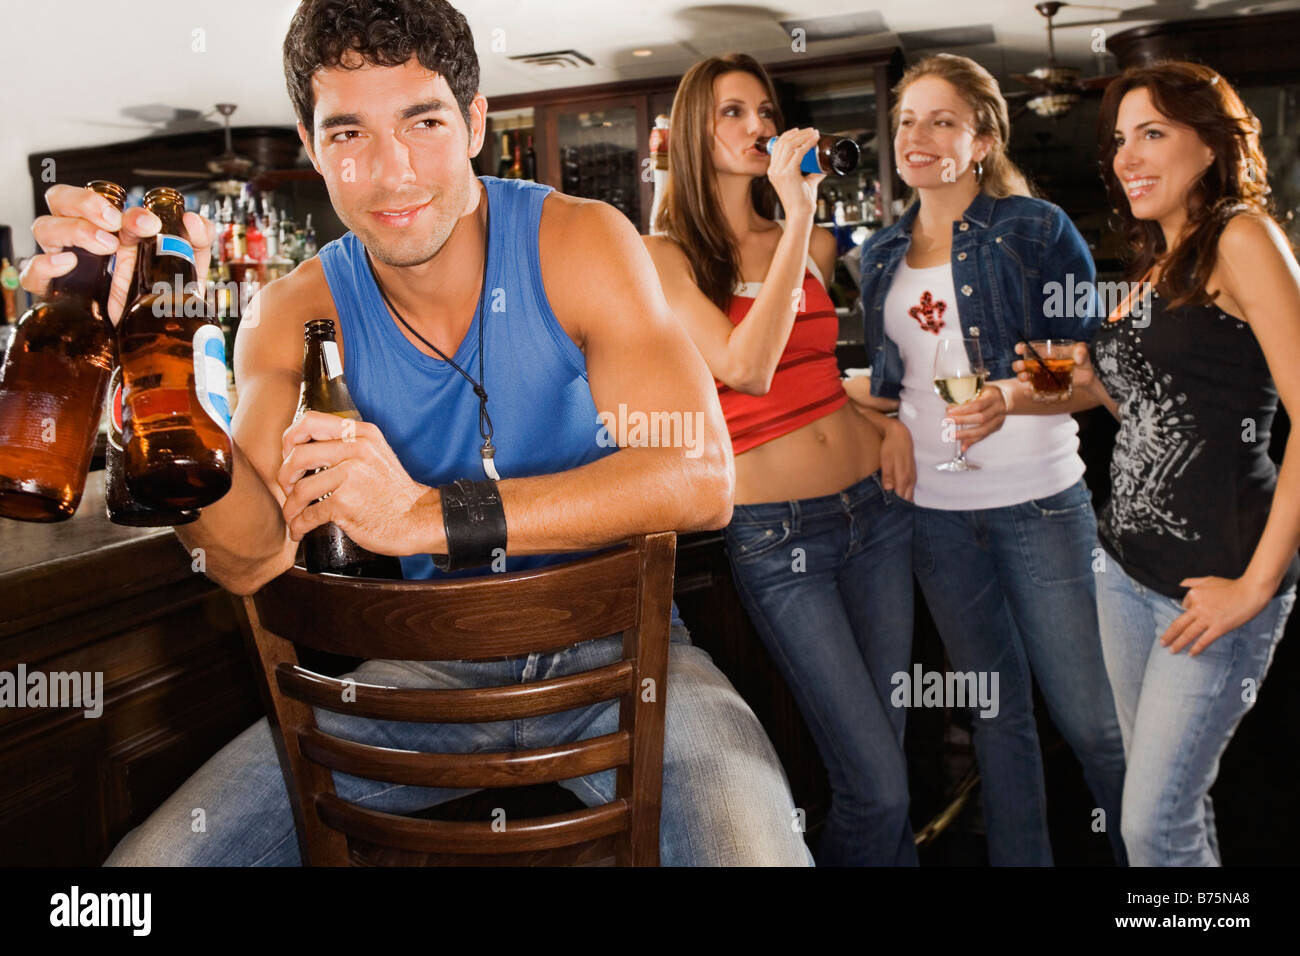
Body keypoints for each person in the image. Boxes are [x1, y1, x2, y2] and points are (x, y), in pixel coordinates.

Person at [22, 0, 812, 866]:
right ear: (312, 143)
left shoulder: (579, 242)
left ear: (475, 121)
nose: (392, 173)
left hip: (626, 654)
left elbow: (699, 476)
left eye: (423, 121)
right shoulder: (293, 310)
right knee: (145, 871)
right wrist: (151, 360)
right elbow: (247, 556)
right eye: (350, 133)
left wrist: (426, 515)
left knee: (756, 853)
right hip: (421, 665)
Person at [1012, 61, 1300, 865]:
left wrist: (1256, 585)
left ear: (1208, 146)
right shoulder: (1160, 261)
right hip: (1125, 573)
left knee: (1151, 825)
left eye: (1153, 134)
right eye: (1119, 141)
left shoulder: (1244, 237)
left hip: (1211, 587)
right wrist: (1021, 391)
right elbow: (1130, 406)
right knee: (1167, 804)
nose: (1126, 157)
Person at [644, 54, 919, 866]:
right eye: (733, 112)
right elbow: (744, 367)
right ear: (694, 130)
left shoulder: (817, 244)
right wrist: (796, 220)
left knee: (888, 768)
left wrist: (885, 422)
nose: (758, 126)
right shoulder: (664, 258)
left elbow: (815, 380)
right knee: (878, 787)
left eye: (764, 109)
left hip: (876, 510)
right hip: (778, 539)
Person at [856, 53, 1127, 866]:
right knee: (995, 715)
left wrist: (1009, 394)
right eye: (908, 120)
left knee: (1091, 721)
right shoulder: (876, 254)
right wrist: (887, 427)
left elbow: (1087, 372)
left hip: (1039, 506)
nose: (919, 136)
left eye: (943, 120)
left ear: (981, 140)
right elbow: (889, 388)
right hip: (934, 521)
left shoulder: (1034, 230)